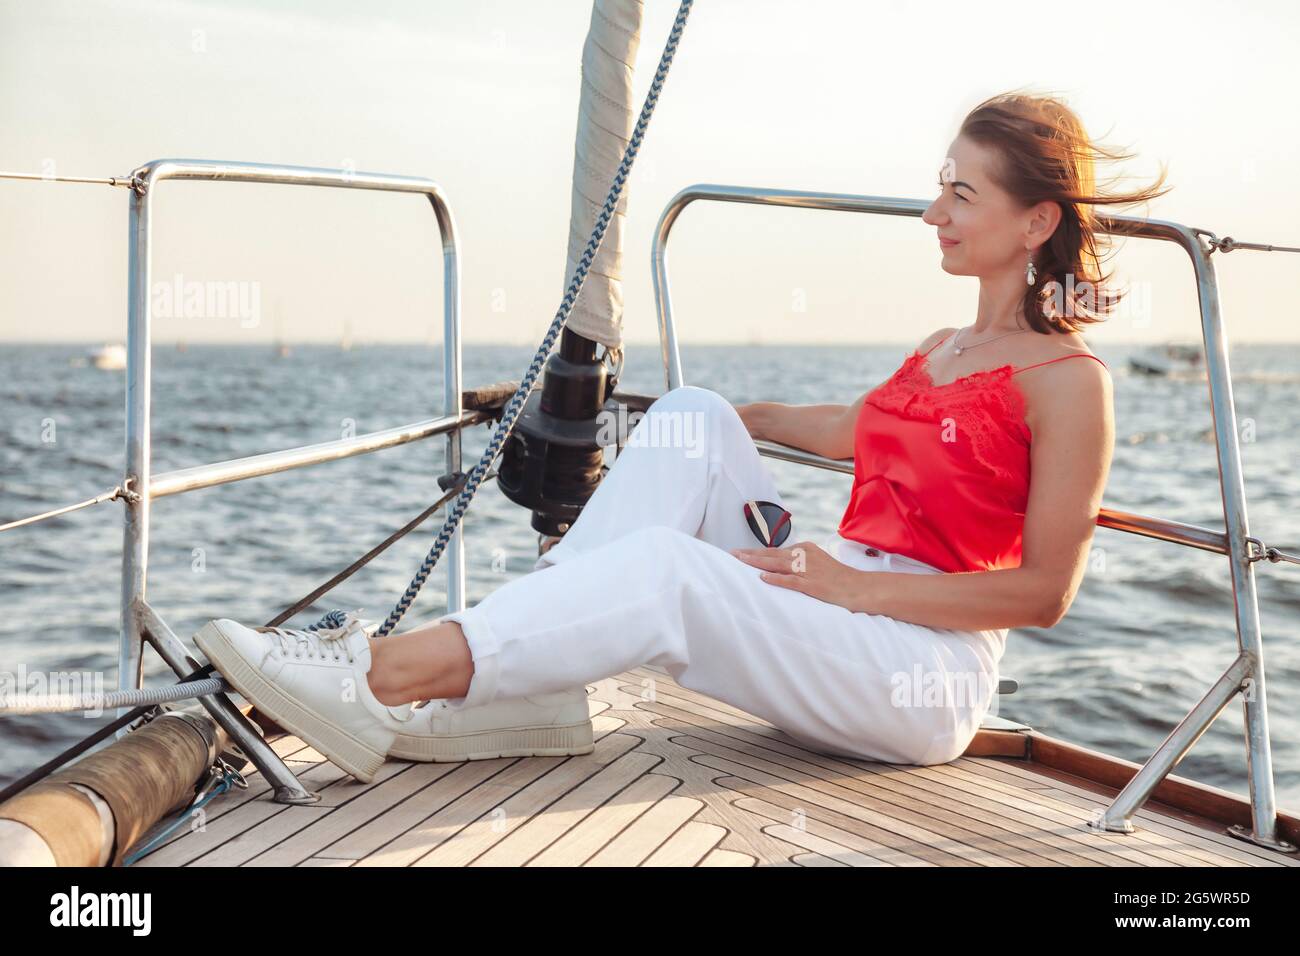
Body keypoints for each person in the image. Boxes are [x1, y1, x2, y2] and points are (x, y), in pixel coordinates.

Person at [195, 91, 1166, 784]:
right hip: (841, 608)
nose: (932, 211)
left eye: (960, 193)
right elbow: (852, 430)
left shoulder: (1071, 383)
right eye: (938, 187)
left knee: (665, 570)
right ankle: (527, 689)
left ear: (1036, 218)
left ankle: (377, 675)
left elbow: (1044, 592)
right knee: (691, 410)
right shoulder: (943, 345)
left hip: (921, 669)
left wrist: (853, 585)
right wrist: (719, 420)